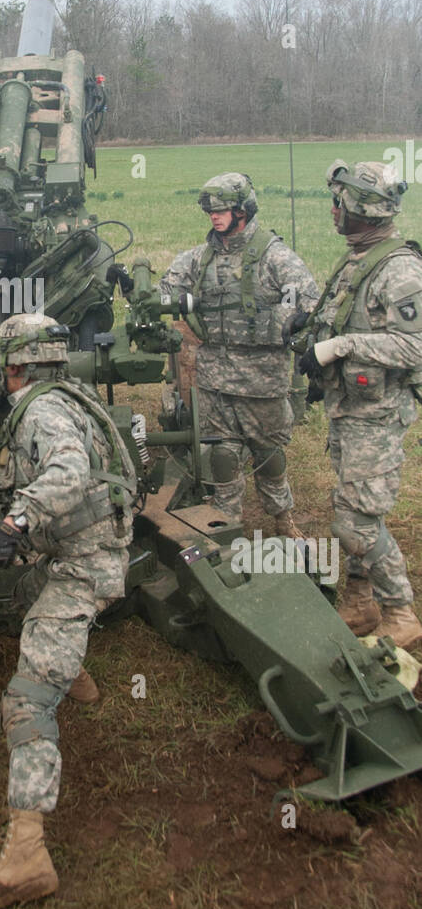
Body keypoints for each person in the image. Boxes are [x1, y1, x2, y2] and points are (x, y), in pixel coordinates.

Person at [0, 313, 137, 909]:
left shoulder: (41, 411)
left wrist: (15, 522)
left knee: (25, 702)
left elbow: (66, 472)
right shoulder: (67, 394)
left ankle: (28, 854)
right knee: (27, 599)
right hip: (75, 552)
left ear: (11, 366)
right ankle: (75, 673)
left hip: (81, 565)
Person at [295, 160, 422, 648]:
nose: (333, 213)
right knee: (352, 505)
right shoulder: (360, 258)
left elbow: (413, 346)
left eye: (338, 205)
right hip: (350, 408)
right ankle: (360, 600)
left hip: (377, 415)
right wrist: (311, 333)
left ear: (361, 213)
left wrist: (343, 347)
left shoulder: (400, 269)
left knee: (355, 518)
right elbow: (348, 315)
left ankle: (400, 611)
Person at [159, 172, 319, 535]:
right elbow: (165, 290)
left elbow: (308, 301)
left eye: (223, 211)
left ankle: (283, 519)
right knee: (222, 455)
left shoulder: (274, 256)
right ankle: (226, 522)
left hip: (262, 381)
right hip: (215, 378)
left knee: (269, 455)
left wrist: (284, 322)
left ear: (243, 210)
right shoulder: (199, 259)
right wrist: (145, 292)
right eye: (211, 212)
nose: (215, 218)